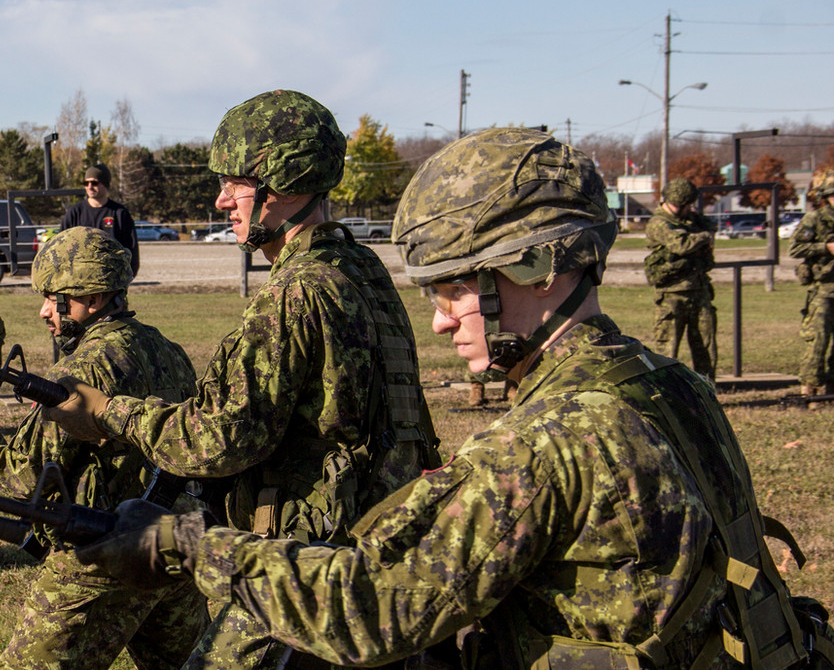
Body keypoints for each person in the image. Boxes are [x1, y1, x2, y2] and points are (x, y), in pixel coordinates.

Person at [76, 128, 811, 669]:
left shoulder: (547, 442)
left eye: (458, 286)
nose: (439, 317)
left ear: (540, 269)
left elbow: (369, 611)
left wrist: (183, 543)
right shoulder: (670, 384)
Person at [43, 90, 438, 668]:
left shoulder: (296, 290)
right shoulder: (362, 268)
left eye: (236, 182)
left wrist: (108, 412)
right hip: (374, 544)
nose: (222, 198)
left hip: (300, 563)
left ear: (282, 183)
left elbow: (217, 440)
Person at [0, 226, 207, 670]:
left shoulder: (84, 366)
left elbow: (34, 474)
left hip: (104, 554)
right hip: (173, 544)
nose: (45, 311)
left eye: (55, 298)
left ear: (95, 299)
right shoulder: (167, 348)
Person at [645, 177, 718, 380]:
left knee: (706, 346)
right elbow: (680, 244)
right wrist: (705, 236)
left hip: (699, 290)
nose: (679, 209)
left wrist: (705, 229)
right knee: (667, 349)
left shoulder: (692, 220)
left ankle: (707, 391)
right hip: (671, 294)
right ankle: (669, 395)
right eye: (676, 205)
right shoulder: (659, 222)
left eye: (683, 205)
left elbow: (712, 224)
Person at [791, 168, 834, 399]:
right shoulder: (816, 219)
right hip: (824, 290)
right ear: (826, 197)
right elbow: (795, 248)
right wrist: (825, 248)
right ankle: (811, 390)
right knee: (818, 340)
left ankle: (830, 389)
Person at [59, 163, 140, 276]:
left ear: (105, 184)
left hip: (111, 280)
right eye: (86, 183)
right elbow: (61, 246)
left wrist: (127, 277)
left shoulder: (120, 213)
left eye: (95, 183)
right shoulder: (75, 213)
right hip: (80, 279)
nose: (90, 186)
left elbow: (132, 249)